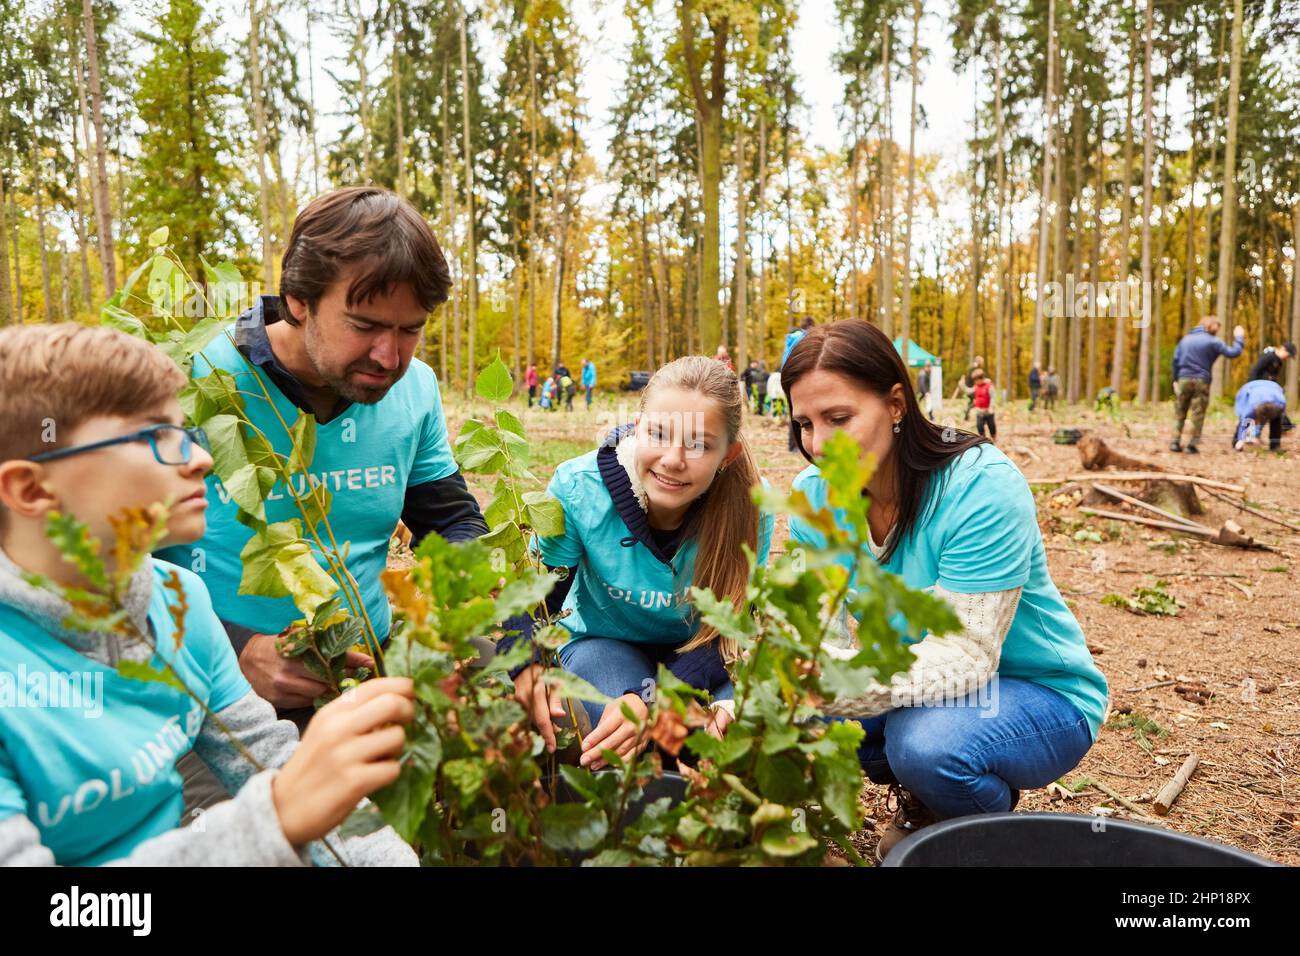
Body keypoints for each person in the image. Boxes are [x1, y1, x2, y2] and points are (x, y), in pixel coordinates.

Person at [0, 324, 417, 866]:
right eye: (154, 437)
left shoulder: (179, 600)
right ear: (32, 490)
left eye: (184, 432)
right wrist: (278, 816)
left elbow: (267, 757)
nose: (200, 459)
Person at [154, 187, 489, 723]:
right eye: (365, 326)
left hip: (367, 676)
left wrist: (469, 607)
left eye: (411, 330)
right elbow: (115, 571)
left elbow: (449, 521)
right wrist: (235, 650)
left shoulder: (416, 387)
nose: (389, 356)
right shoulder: (192, 379)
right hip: (211, 691)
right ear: (297, 301)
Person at [782, 320, 1107, 861]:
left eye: (839, 418)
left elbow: (967, 656)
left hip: (1037, 691)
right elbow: (818, 628)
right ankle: (925, 798)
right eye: (805, 424)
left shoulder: (980, 485)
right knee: (819, 705)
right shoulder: (812, 496)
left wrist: (833, 687)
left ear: (896, 404)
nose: (819, 445)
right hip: (922, 678)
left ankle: (979, 828)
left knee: (925, 744)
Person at [504, 357, 774, 770]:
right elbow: (534, 603)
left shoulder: (753, 505)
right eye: (659, 434)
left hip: (706, 652)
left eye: (699, 444)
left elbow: (734, 631)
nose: (673, 459)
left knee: (731, 741)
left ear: (728, 454)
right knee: (615, 731)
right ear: (637, 427)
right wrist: (525, 662)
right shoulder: (579, 489)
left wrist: (660, 698)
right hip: (605, 643)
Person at [1171, 315, 1246, 453]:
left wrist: (1175, 379)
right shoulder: (1213, 342)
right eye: (1216, 327)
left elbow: (1175, 361)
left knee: (1180, 410)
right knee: (1198, 413)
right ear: (1209, 326)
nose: (1217, 330)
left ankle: (1175, 442)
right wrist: (1239, 337)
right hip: (1201, 381)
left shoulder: (1185, 340)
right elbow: (1233, 352)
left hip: (1183, 379)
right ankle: (1191, 445)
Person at [782, 318, 816, 451]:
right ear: (810, 326)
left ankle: (792, 446)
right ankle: (795, 446)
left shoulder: (791, 339)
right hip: (801, 380)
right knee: (803, 416)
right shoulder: (803, 339)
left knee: (796, 414)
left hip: (789, 381)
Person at [1233, 378, 1287, 451]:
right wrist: (1241, 439)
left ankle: (1275, 445)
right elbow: (1245, 419)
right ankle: (1237, 442)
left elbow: (1281, 414)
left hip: (1274, 388)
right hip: (1250, 388)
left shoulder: (1280, 404)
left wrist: (1255, 435)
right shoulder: (1251, 407)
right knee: (1246, 417)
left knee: (1277, 419)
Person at [971, 369, 997, 441]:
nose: (975, 382)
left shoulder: (989, 386)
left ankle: (993, 436)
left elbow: (993, 397)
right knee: (979, 426)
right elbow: (969, 391)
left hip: (988, 411)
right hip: (979, 411)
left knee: (991, 425)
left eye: (976, 380)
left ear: (981, 378)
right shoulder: (976, 386)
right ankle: (982, 438)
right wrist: (963, 386)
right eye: (974, 380)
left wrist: (991, 406)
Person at [961, 356, 984, 421]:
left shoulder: (972, 367)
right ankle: (980, 416)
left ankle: (966, 414)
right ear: (979, 361)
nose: (982, 363)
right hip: (971, 388)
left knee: (971, 402)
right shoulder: (975, 369)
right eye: (982, 362)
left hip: (969, 387)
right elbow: (974, 378)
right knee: (978, 401)